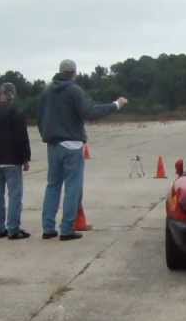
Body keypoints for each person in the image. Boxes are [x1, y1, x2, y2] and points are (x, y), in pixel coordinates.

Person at [36, 59, 128, 240]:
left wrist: (46, 135)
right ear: (74, 73)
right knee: (73, 187)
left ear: (60, 71)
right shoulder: (74, 90)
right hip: (72, 145)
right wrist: (116, 105)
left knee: (53, 185)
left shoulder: (46, 92)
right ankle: (67, 228)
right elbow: (90, 112)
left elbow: (40, 118)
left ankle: (48, 228)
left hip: (53, 144)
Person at [0, 82, 32, 240]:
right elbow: (21, 137)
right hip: (11, 160)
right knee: (14, 195)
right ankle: (13, 229)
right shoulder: (16, 112)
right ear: (11, 94)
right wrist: (25, 158)